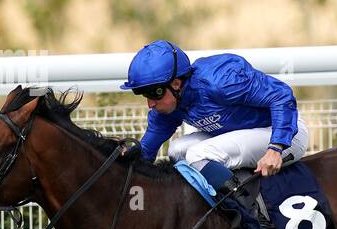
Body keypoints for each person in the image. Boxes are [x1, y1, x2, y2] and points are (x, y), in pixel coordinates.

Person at [119, 39, 310, 197]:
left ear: (176, 83)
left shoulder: (220, 82)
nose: (150, 104)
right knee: (177, 150)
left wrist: (275, 148)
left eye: (154, 94)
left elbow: (281, 96)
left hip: (285, 136)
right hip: (242, 136)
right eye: (144, 95)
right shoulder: (169, 106)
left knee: (198, 154)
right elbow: (146, 152)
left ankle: (249, 216)